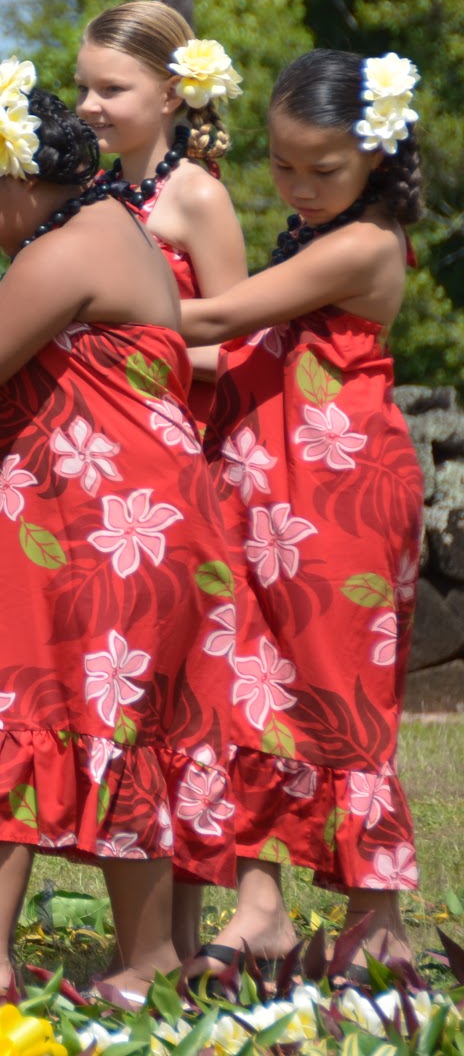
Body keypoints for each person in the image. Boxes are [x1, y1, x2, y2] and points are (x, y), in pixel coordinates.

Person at [0, 61, 237, 1011]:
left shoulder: (71, 246)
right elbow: (8, 359)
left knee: (63, 717)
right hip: (95, 518)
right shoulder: (100, 229)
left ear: (17, 174)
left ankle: (87, 960)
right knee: (34, 714)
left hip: (110, 523)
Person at [180, 50, 425, 982]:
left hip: (343, 493)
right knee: (247, 682)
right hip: (265, 490)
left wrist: (81, 293)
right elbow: (241, 351)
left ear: (376, 155)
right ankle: (260, 909)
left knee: (340, 691)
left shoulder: (364, 243)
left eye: (324, 169)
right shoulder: (305, 236)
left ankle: (379, 919)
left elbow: (220, 316)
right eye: (284, 166)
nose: (300, 186)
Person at [76, 1, 248, 430]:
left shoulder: (198, 196)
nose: (87, 105)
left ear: (171, 94)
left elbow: (238, 346)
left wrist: (110, 346)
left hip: (180, 430)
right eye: (83, 89)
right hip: (98, 428)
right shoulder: (91, 190)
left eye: (111, 90)